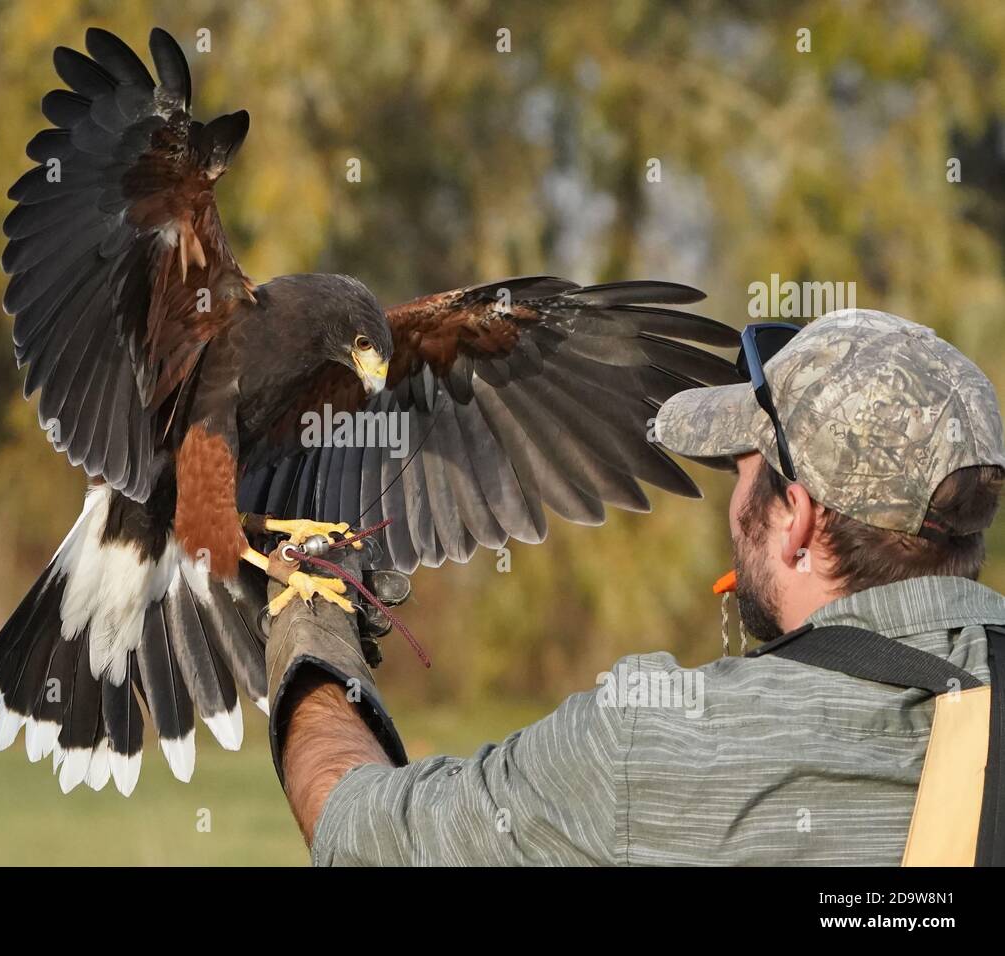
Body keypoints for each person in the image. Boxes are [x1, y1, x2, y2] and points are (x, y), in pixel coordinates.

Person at [264, 308, 1005, 865]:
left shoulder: (652, 742)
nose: (731, 502)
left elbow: (359, 830)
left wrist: (311, 629)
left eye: (741, 469)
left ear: (798, 521)